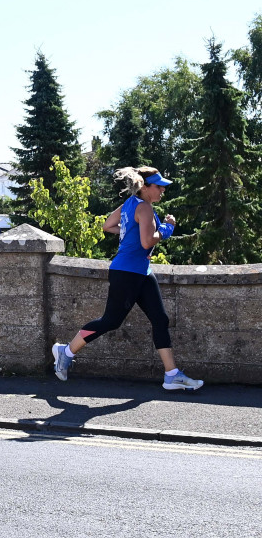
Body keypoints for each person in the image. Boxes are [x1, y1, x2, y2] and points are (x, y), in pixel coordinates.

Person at [52, 167, 203, 391]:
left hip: (141, 271)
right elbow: (146, 242)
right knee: (110, 321)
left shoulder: (130, 205)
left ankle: (171, 375)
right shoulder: (145, 208)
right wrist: (167, 228)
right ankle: (65, 352)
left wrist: (138, 231)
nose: (163, 190)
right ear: (146, 187)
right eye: (159, 186)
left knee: (160, 319)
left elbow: (108, 226)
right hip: (127, 273)